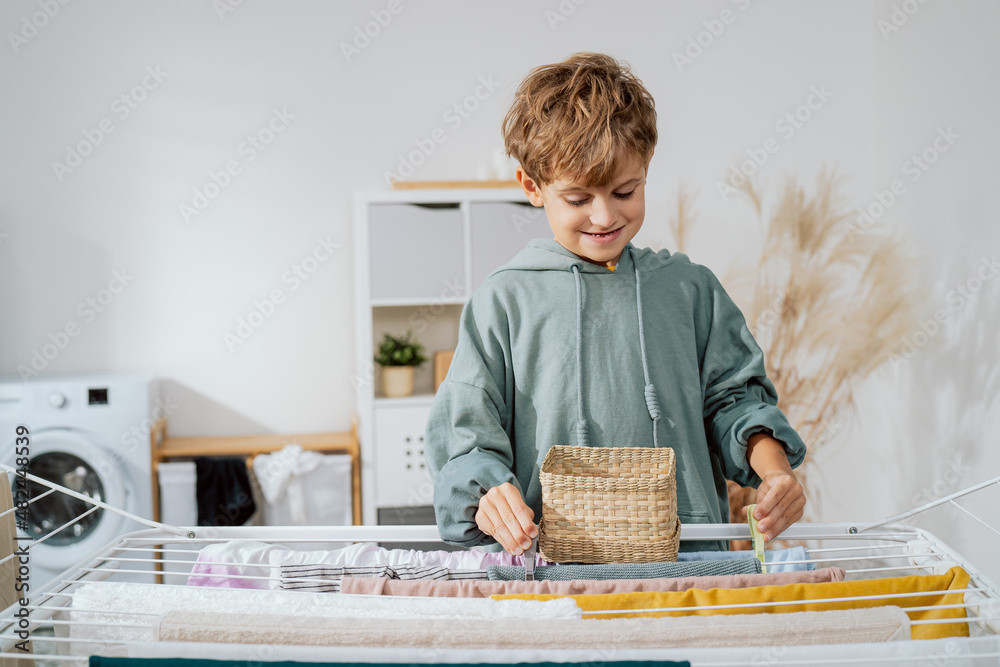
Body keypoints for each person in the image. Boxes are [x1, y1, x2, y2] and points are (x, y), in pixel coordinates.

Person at [425, 52, 806, 555]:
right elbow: (468, 430)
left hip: (686, 565)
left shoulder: (690, 290)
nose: (604, 216)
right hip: (552, 569)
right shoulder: (503, 301)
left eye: (625, 190)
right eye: (578, 199)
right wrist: (488, 493)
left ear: (646, 168)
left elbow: (736, 402)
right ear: (532, 187)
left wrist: (775, 473)